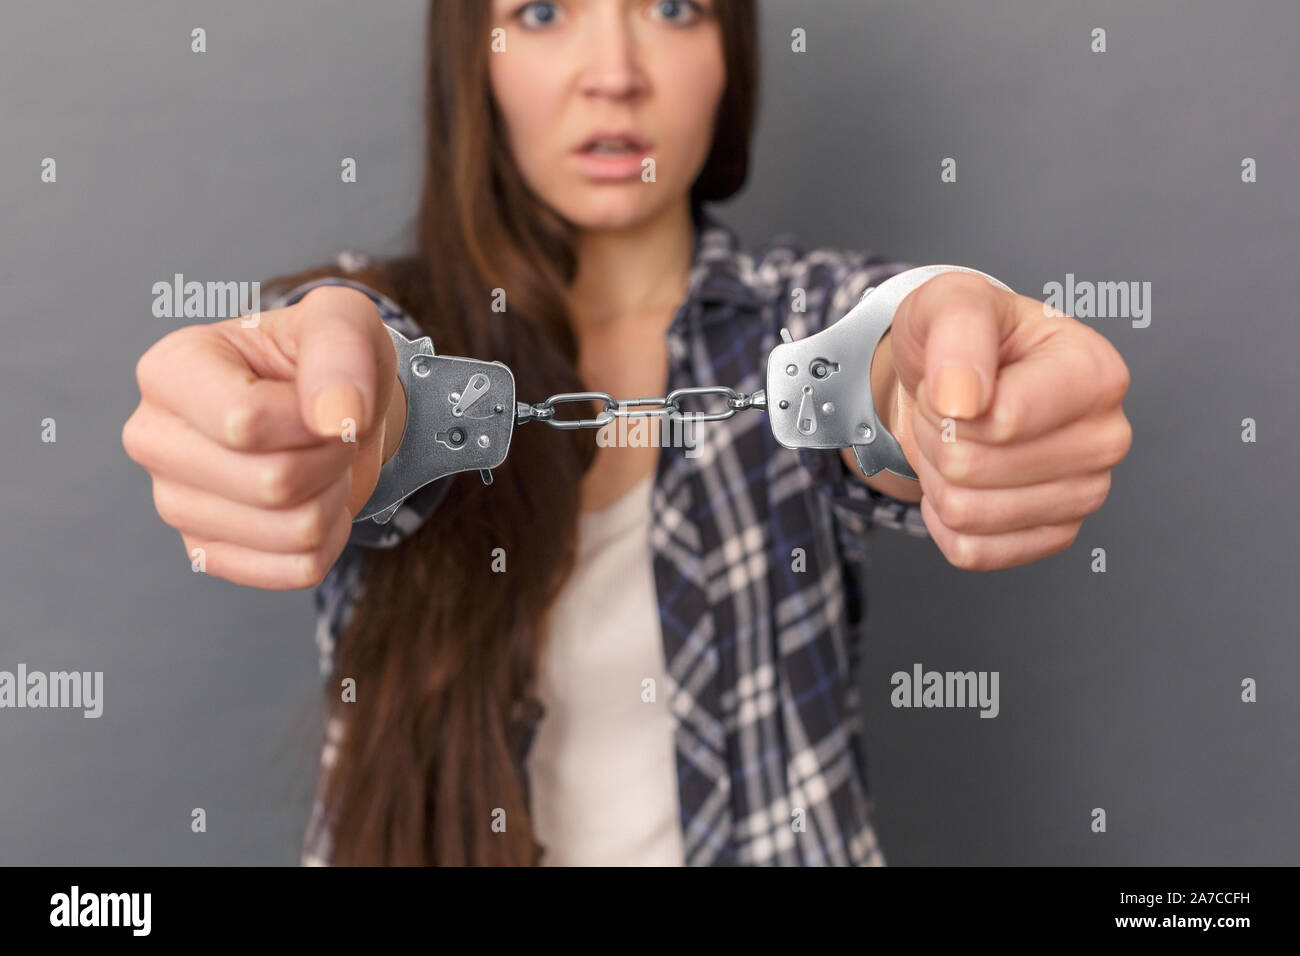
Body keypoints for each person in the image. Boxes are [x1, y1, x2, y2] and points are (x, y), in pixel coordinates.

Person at [121, 0, 1131, 866]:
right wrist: (318, 418)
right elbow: (357, 353)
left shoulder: (797, 319)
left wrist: (946, 390)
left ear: (729, 54)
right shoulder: (399, 337)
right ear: (471, 56)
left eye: (674, 7)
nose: (615, 76)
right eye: (545, 13)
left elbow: (888, 337)